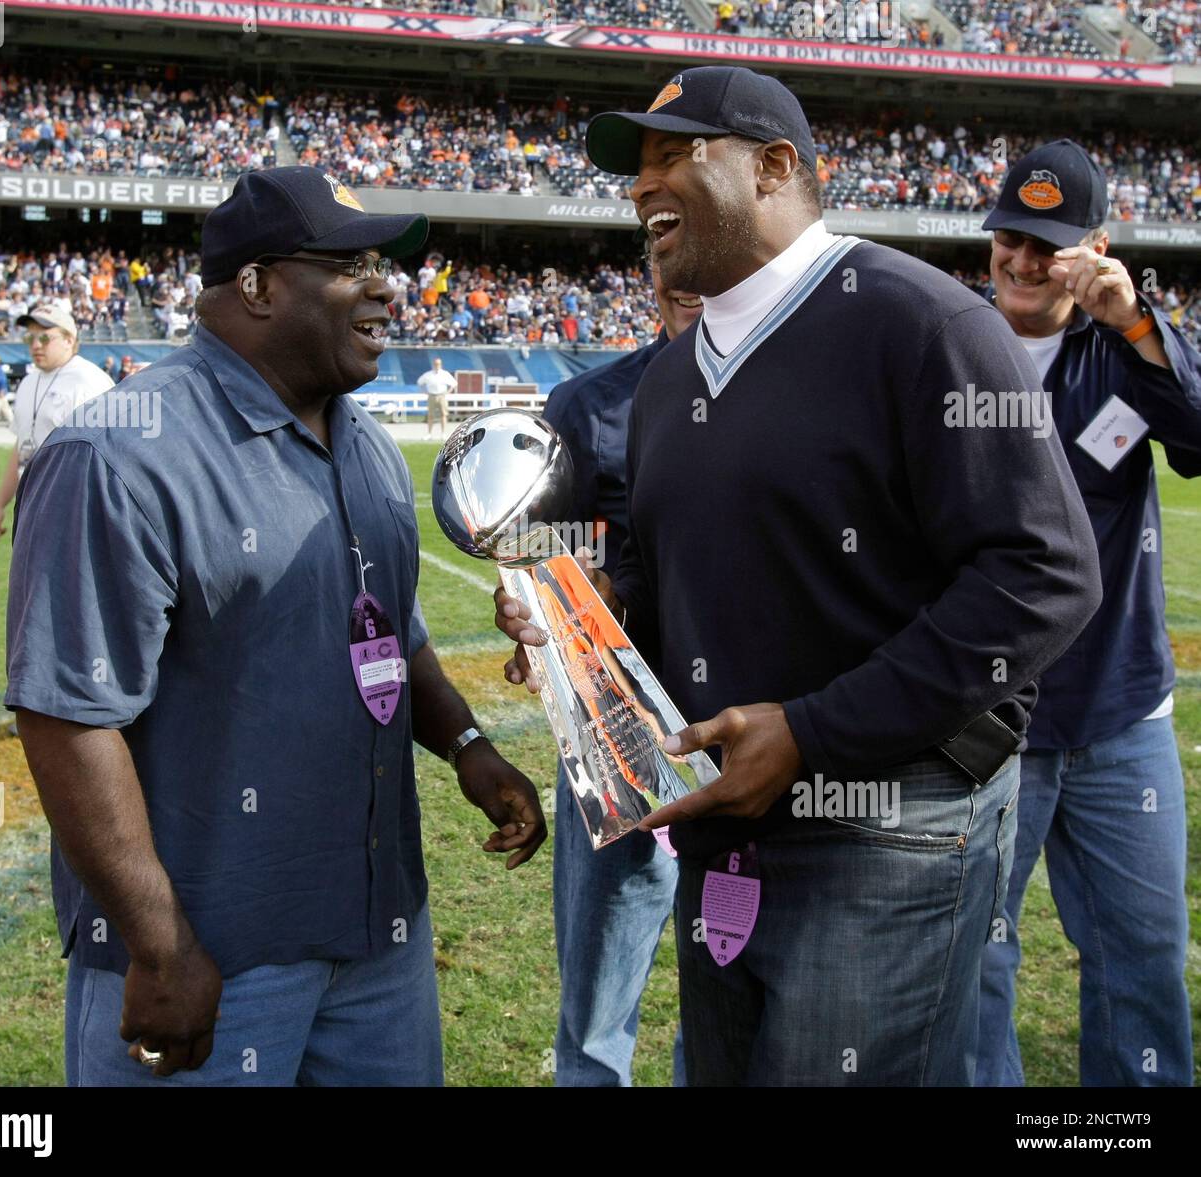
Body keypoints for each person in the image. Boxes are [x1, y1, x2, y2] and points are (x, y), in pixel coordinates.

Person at [495, 66, 1102, 1086]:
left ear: (776, 166)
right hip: (721, 827)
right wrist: (576, 632)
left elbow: (1044, 573)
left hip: (883, 830)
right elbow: (654, 574)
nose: (642, 187)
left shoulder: (922, 323)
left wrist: (816, 731)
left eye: (672, 155)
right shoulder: (666, 387)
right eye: (635, 168)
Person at [5, 167, 546, 1087]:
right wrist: (161, 942)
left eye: (385, 262)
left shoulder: (365, 440)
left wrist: (466, 746)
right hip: (211, 956)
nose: (387, 284)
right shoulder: (116, 453)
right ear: (255, 285)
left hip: (377, 944)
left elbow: (386, 630)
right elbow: (68, 716)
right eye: (350, 263)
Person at [975, 141, 1201, 1088]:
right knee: (976, 959)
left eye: (1052, 245)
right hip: (984, 722)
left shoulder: (1127, 353)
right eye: (1011, 239)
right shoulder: (941, 341)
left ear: (1099, 249)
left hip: (1120, 713)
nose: (1026, 262)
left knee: (1142, 955)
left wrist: (1142, 322)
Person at [514, 251, 702, 1086]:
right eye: (667, 255)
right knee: (596, 1008)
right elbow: (545, 565)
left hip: (762, 732)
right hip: (615, 732)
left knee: (736, 989)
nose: (685, 274)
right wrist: (533, 617)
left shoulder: (805, 393)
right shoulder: (587, 406)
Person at [0, 301, 111, 541]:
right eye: (29, 338)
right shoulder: (28, 382)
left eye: (44, 338)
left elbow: (113, 457)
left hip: (74, 512)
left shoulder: (91, 381)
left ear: (69, 340)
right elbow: (21, 447)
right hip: (31, 504)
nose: (35, 345)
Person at [418, 356, 456, 437]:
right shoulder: (428, 375)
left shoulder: (445, 374)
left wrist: (448, 392)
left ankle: (443, 433)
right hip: (431, 396)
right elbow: (420, 383)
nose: (437, 365)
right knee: (430, 415)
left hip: (442, 396)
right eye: (435, 364)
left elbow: (454, 383)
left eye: (438, 364)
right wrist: (425, 392)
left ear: (441, 364)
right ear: (433, 364)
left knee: (443, 415)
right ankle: (429, 434)